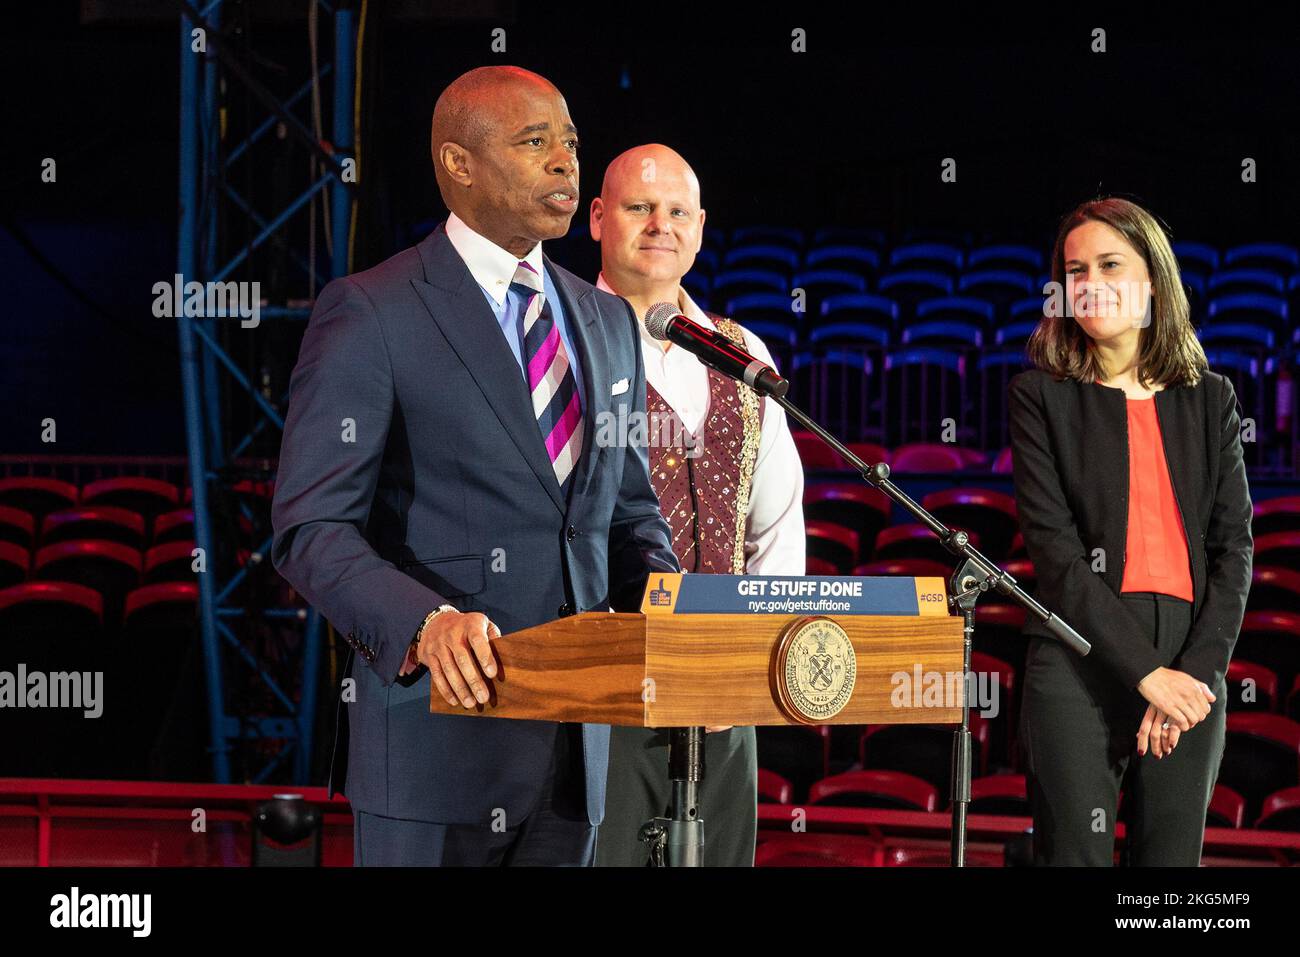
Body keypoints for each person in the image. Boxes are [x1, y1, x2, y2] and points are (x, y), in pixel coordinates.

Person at [271, 66, 678, 866]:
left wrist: (674, 605)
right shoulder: (372, 310)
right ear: (459, 163)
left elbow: (629, 514)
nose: (565, 162)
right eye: (535, 142)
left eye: (570, 143)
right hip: (435, 754)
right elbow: (311, 528)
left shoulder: (605, 319)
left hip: (576, 765)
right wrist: (425, 624)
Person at [1008, 196, 1253, 866]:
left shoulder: (1211, 398)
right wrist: (1147, 674)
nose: (1090, 282)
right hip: (1076, 658)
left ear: (1153, 277)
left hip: (1189, 663)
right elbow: (1057, 557)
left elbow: (1234, 551)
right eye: (1076, 270)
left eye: (1110, 264)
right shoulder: (1039, 397)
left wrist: (1192, 677)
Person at [589, 144, 806, 866]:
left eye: (678, 211)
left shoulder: (744, 352)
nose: (661, 224)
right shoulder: (560, 343)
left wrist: (753, 665)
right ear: (597, 218)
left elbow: (777, 525)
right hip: (603, 688)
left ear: (702, 227)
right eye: (639, 207)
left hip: (726, 688)